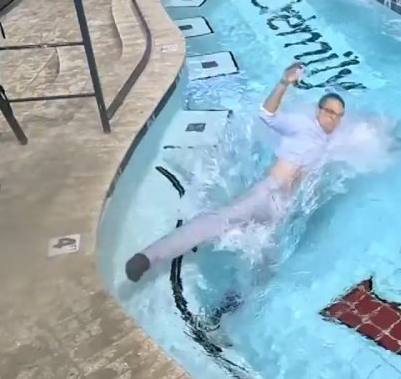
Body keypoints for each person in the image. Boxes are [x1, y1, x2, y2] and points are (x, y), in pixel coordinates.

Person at [126, 62, 346, 282]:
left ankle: (237, 302)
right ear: (319, 110)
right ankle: (148, 257)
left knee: (267, 260)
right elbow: (267, 114)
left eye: (339, 115)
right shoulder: (302, 124)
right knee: (218, 220)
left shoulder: (329, 143)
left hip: (284, 207)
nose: (334, 118)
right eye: (330, 112)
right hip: (267, 191)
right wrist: (283, 83)